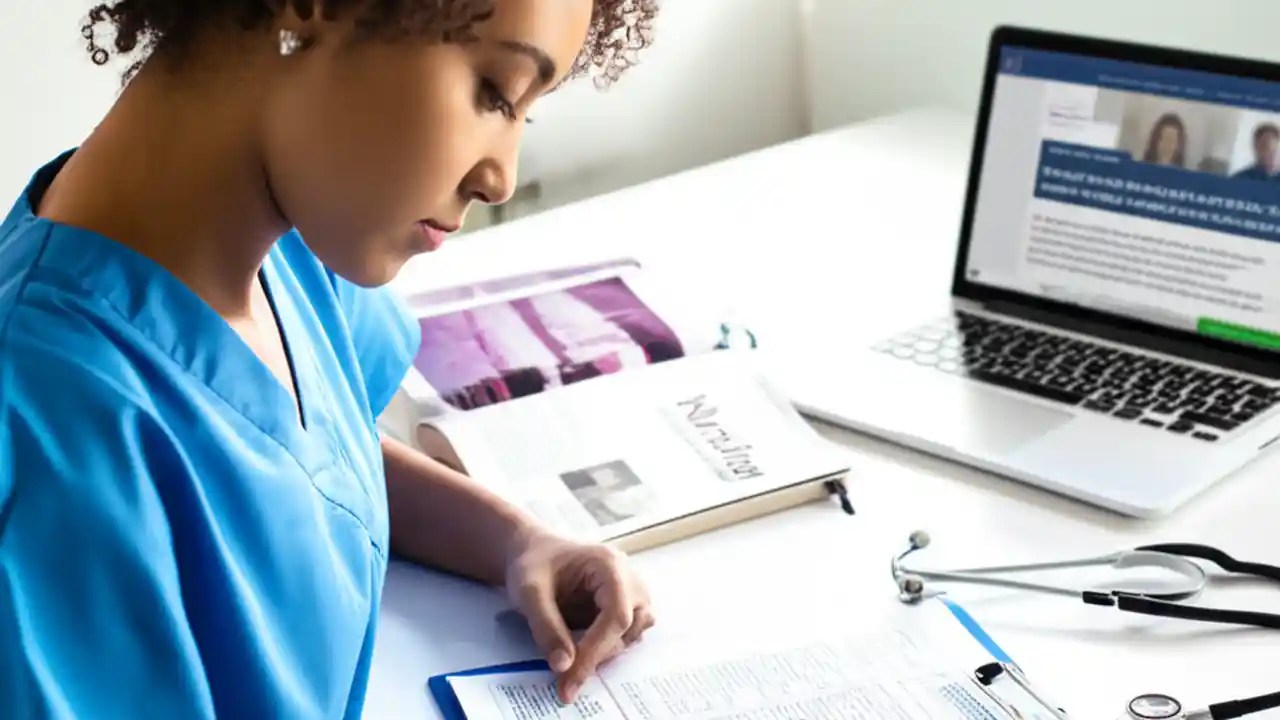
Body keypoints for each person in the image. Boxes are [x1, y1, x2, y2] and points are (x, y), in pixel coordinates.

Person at [0, 1, 660, 718]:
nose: (499, 177)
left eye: (523, 116)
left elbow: (305, 468)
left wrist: (515, 542)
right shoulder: (43, 441)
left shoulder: (285, 248)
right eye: (494, 92)